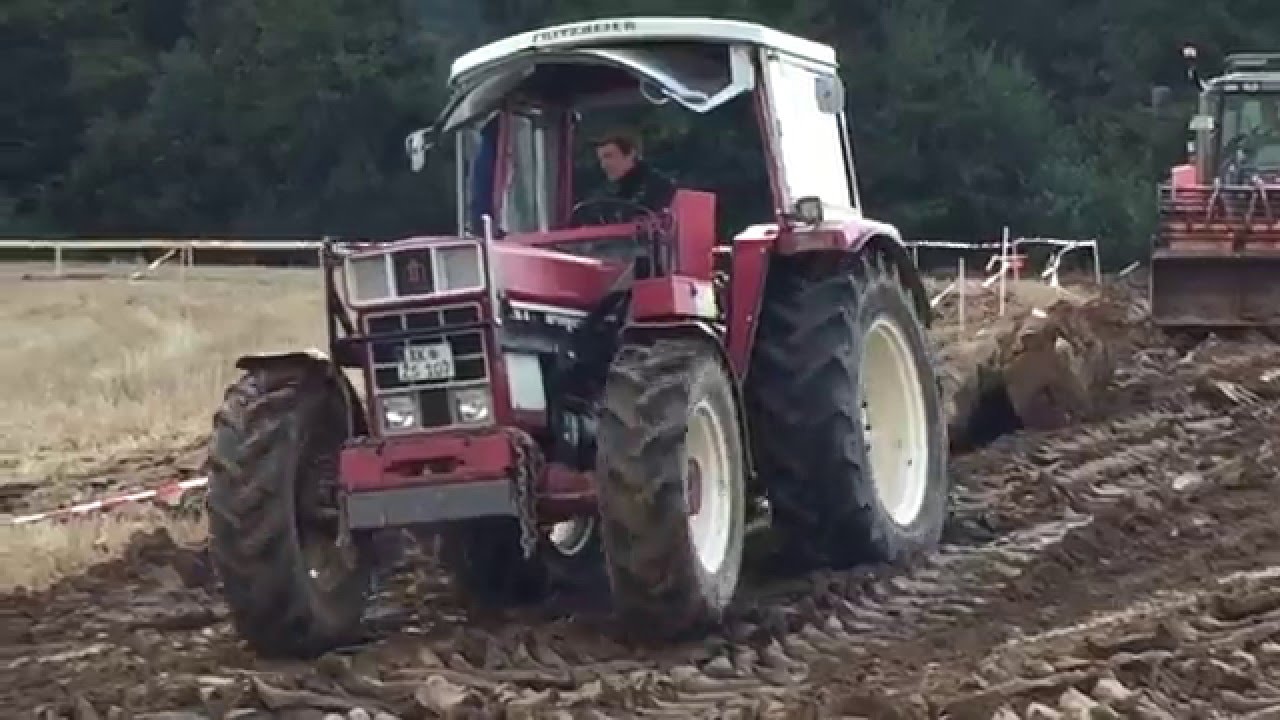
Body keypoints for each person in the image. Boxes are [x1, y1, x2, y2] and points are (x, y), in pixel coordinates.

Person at [591, 129, 677, 213]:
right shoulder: (607, 194)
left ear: (630, 154)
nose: (603, 165)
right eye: (601, 160)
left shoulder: (659, 187)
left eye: (609, 156)